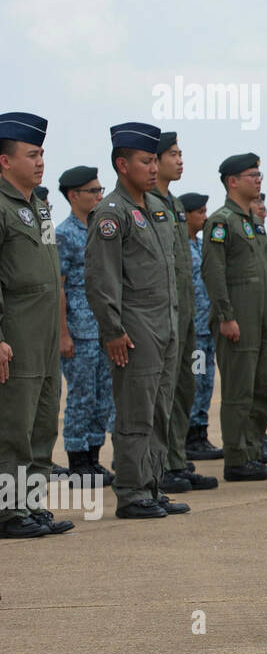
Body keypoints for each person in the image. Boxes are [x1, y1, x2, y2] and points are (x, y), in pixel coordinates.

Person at [84, 122, 189, 519]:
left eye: (152, 161)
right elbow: (100, 279)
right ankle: (131, 492)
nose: (152, 168)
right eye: (145, 161)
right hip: (135, 327)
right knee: (135, 412)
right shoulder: (112, 214)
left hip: (167, 325)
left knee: (161, 410)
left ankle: (153, 486)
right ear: (121, 164)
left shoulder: (157, 208)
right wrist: (112, 330)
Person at [0, 113, 73, 538]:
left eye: (42, 152)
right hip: (17, 331)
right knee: (14, 425)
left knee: (43, 420)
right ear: (5, 162)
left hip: (44, 332)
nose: (40, 161)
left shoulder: (39, 206)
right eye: (31, 154)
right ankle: (8, 513)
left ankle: (30, 503)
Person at [202, 154, 267, 481]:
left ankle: (252, 450)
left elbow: (263, 276)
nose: (259, 179)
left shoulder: (251, 221)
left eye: (259, 174)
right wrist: (226, 315)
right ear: (232, 181)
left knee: (261, 387)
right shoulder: (221, 222)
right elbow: (213, 271)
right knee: (238, 391)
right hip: (236, 318)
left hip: (258, 319)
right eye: (252, 175)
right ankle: (237, 458)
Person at [151, 132, 218, 492]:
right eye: (172, 154)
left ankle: (176, 459)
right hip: (162, 316)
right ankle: (160, 466)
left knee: (183, 389)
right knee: (161, 395)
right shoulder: (145, 203)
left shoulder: (174, 204)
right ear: (155, 160)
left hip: (186, 316)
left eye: (180, 154)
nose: (180, 160)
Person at [55, 165, 116, 485]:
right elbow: (58, 287)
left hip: (104, 328)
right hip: (79, 330)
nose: (99, 196)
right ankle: (78, 460)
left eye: (100, 189)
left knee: (103, 396)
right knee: (82, 397)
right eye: (93, 191)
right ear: (73, 195)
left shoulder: (102, 228)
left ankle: (94, 457)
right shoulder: (63, 234)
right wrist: (64, 333)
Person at [180, 192, 222, 460]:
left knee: (205, 383)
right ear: (185, 216)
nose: (205, 218)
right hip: (192, 327)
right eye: (200, 213)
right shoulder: (181, 244)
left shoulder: (197, 243)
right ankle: (188, 436)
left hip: (206, 327)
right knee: (193, 383)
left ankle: (200, 433)